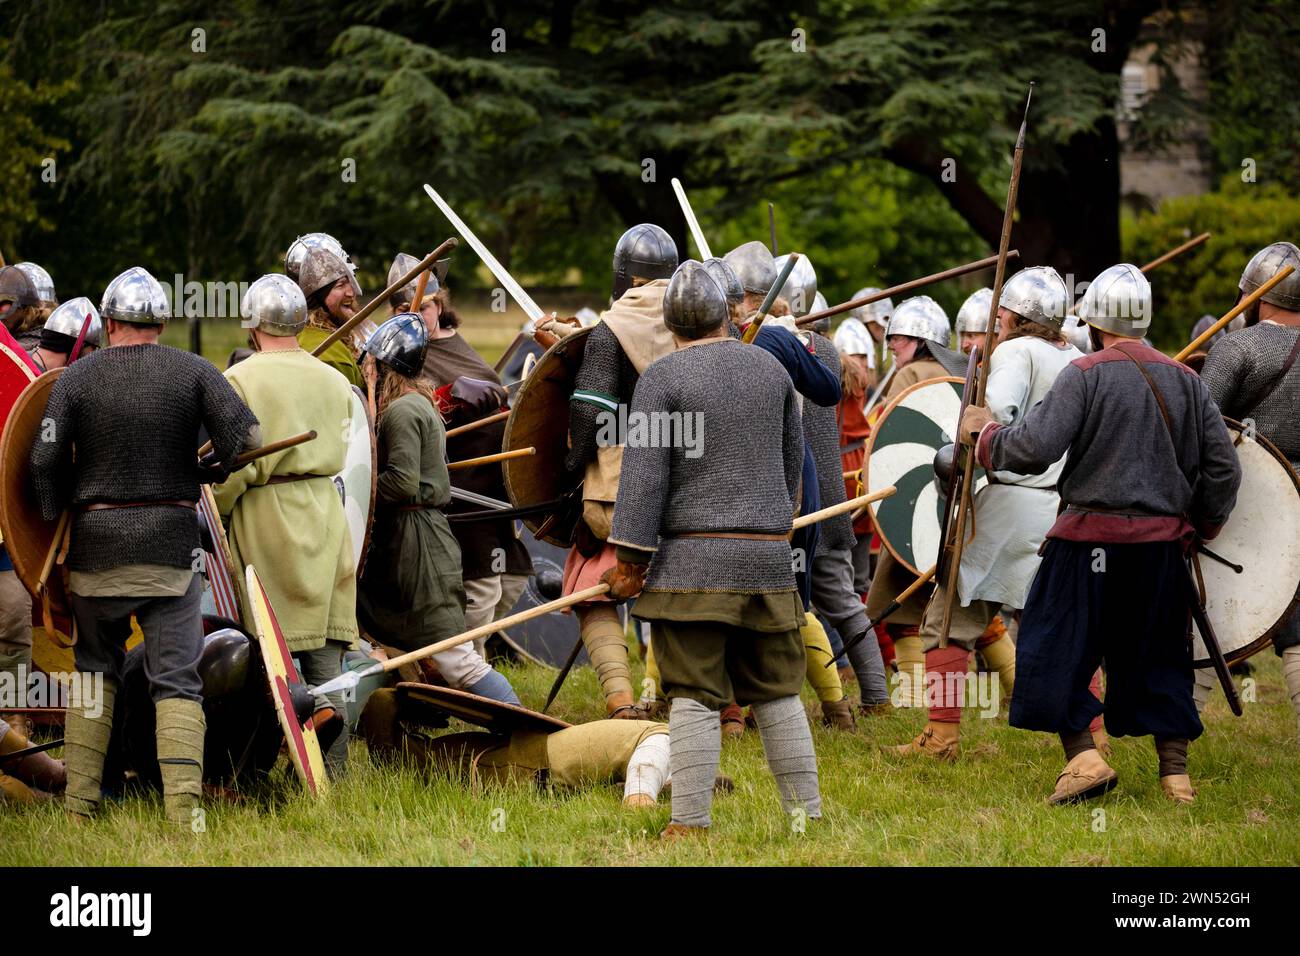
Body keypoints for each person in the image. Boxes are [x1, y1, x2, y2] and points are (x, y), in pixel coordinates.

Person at [960, 263, 1241, 804]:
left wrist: (986, 434)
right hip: (1160, 550)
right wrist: (1199, 526)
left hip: (1086, 543)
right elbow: (1224, 469)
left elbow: (1035, 447)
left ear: (1091, 321)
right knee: (1160, 654)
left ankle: (1085, 759)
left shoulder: (1084, 374)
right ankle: (1175, 778)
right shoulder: (1186, 380)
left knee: (1051, 646)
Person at [30, 266, 259, 825]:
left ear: (109, 324)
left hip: (94, 552)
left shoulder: (76, 382)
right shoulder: (193, 370)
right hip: (169, 553)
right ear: (159, 323)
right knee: (176, 679)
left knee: (92, 672)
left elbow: (41, 460)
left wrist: (51, 518)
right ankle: (185, 815)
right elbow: (248, 437)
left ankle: (80, 807)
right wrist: (213, 468)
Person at [606, 261, 820, 837]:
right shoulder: (773, 371)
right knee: (777, 693)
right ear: (727, 314)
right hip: (770, 562)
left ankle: (691, 823)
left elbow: (644, 480)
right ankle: (806, 819)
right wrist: (774, 530)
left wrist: (629, 562)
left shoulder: (663, 379)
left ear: (671, 321)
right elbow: (789, 470)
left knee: (695, 695)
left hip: (693, 570)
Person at [889, 267, 1078, 760]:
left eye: (1001, 316)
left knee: (950, 615)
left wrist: (955, 458)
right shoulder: (1079, 358)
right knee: (1066, 623)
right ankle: (1092, 738)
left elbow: (991, 428)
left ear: (1013, 316)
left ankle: (942, 737)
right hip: (1060, 509)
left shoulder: (1014, 352)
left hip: (1006, 504)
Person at [212, 274, 359, 775]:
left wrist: (217, 509)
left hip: (267, 518)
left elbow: (232, 470)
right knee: (326, 663)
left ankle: (252, 772)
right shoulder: (334, 379)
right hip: (326, 514)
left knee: (268, 661)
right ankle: (331, 775)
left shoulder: (241, 380)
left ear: (253, 325)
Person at [356, 313, 519, 704]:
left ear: (385, 367)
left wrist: (355, 490)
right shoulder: (418, 404)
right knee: (397, 644)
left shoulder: (403, 411)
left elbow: (402, 483)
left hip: (418, 546)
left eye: (373, 367)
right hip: (418, 538)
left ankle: (522, 728)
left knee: (456, 659)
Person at [560, 223, 678, 719]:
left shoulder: (614, 328)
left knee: (592, 585)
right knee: (685, 590)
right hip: (687, 485)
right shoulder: (698, 319)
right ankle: (724, 711)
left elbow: (590, 412)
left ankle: (621, 699)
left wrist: (571, 468)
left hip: (620, 491)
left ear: (624, 275)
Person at [388, 253, 532, 655]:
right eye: (405, 309)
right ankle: (459, 673)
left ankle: (457, 663)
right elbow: (392, 409)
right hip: (456, 490)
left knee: (513, 579)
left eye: (426, 306)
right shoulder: (400, 352)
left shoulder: (454, 341)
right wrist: (447, 398)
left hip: (493, 487)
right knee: (480, 591)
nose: (418, 315)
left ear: (440, 303)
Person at [1200, 241, 1300, 737]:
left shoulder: (1238, 346)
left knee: (1209, 608)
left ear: (1256, 296)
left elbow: (1201, 426)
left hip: (1244, 497)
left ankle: (1181, 740)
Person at [862, 296, 968, 707]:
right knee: (951, 606)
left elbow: (891, 447)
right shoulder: (960, 375)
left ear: (920, 340)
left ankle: (915, 698)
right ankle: (1004, 687)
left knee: (899, 607)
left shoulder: (910, 377)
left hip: (918, 506)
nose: (892, 347)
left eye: (899, 340)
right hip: (957, 511)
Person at [359, 688, 678, 809]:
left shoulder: (661, 741)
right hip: (525, 758)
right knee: (417, 760)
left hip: (527, 763)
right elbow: (641, 790)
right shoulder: (662, 741)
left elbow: (640, 790)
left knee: (418, 762)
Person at [295, 246, 364, 388]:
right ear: (319, 298)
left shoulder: (308, 333)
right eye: (340, 285)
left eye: (350, 283)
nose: (351, 293)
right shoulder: (332, 355)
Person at [28, 298, 103, 372]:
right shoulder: (24, 372)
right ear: (79, 346)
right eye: (93, 348)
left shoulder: (24, 362)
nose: (92, 355)